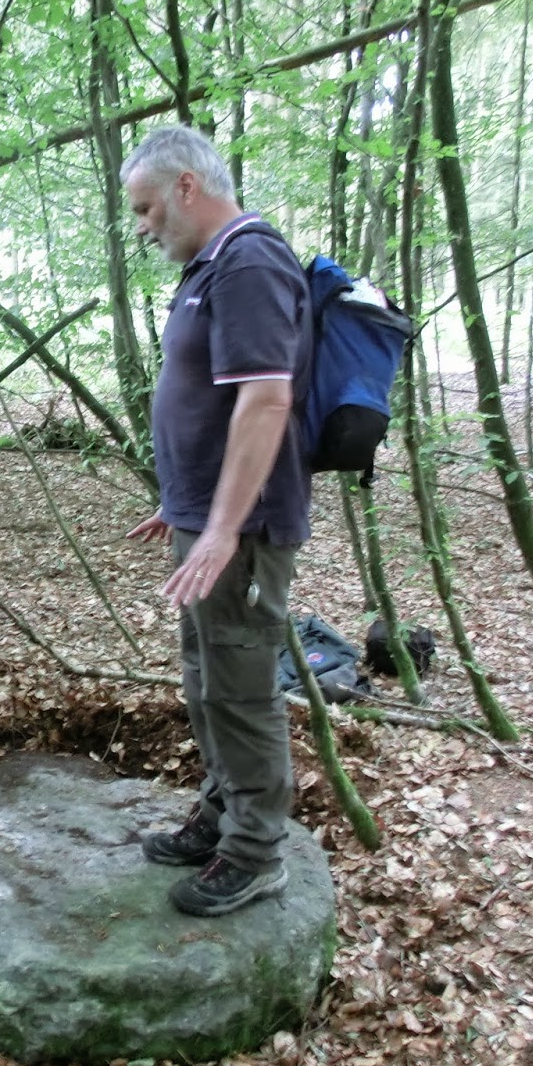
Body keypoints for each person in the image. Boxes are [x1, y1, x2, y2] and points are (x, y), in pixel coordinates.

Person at [122, 125, 313, 917]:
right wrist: (184, 506)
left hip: (245, 530)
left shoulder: (251, 262)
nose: (142, 226)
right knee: (206, 681)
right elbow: (209, 399)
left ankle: (256, 852)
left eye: (146, 208)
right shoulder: (210, 268)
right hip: (205, 521)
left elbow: (266, 400)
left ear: (187, 187)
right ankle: (222, 811)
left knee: (240, 689)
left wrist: (225, 525)